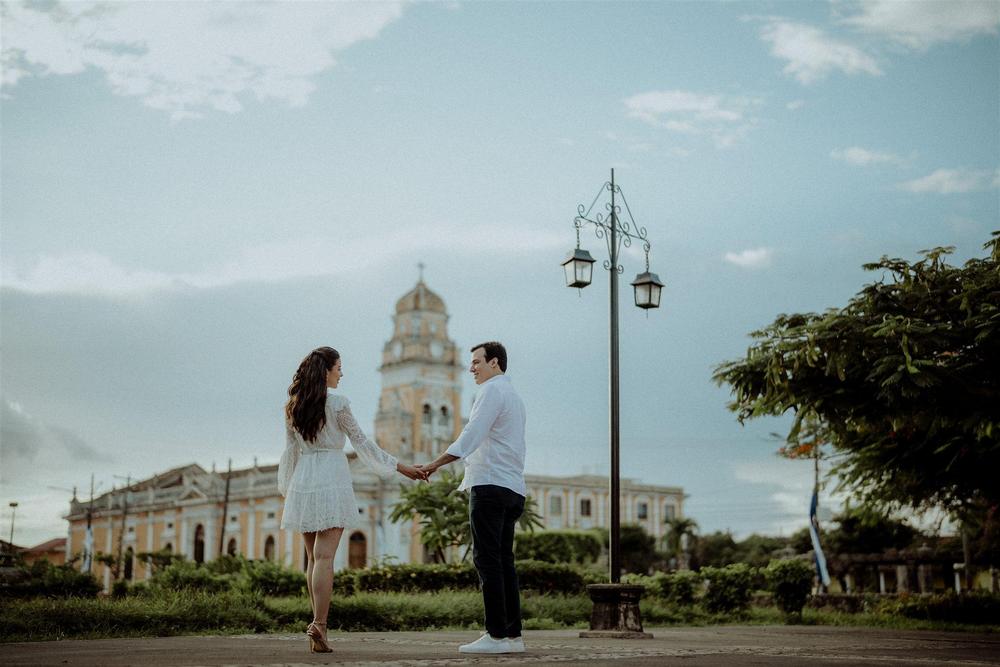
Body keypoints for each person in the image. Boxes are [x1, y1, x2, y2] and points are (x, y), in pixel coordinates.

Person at [278, 346, 427, 653]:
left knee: (313, 559)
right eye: (339, 368)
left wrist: (289, 489)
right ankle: (319, 625)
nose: (341, 373)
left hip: (304, 479)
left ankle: (318, 632)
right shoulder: (338, 403)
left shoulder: (293, 406)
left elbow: (290, 452)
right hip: (331, 476)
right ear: (326, 371)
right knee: (325, 558)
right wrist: (402, 468)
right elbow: (362, 442)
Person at [417, 341, 527, 655]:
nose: (471, 368)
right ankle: (512, 636)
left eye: (477, 362)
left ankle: (495, 635)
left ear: (495, 363)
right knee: (505, 563)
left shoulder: (491, 391)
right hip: (512, 488)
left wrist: (435, 464)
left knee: (487, 561)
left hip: (490, 485)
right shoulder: (514, 397)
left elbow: (471, 434)